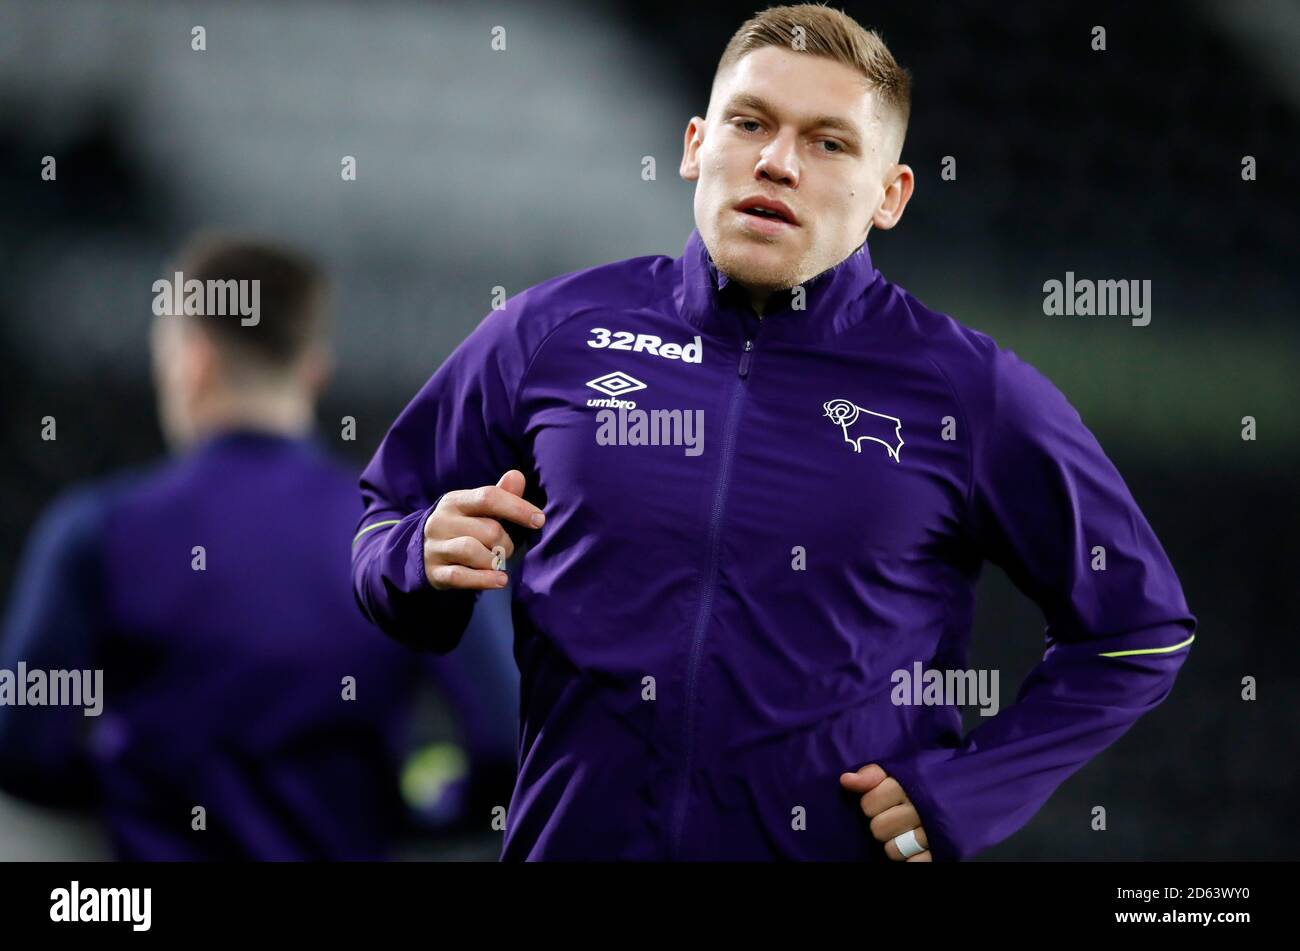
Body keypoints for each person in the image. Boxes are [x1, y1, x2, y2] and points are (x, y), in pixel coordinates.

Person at [351, 5, 1196, 862]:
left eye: (829, 142)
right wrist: (415, 554)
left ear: (890, 195)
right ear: (694, 145)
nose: (777, 161)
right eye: (749, 122)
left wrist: (966, 792)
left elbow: (1139, 630)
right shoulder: (551, 331)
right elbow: (386, 518)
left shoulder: (972, 391)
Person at [0, 232, 517, 859]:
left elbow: (21, 747)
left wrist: (128, 789)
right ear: (313, 369)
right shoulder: (407, 537)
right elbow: (508, 744)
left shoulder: (96, 530)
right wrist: (403, 805)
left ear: (193, 363)